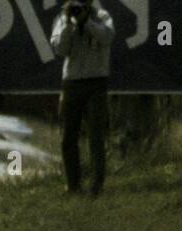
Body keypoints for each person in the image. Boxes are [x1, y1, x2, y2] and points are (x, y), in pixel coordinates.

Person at [50, 0, 115, 197]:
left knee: (95, 135)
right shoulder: (63, 19)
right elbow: (59, 49)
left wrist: (86, 21)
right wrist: (71, 24)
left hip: (96, 82)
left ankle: (96, 185)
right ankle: (73, 184)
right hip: (72, 82)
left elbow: (107, 37)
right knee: (68, 136)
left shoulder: (102, 16)